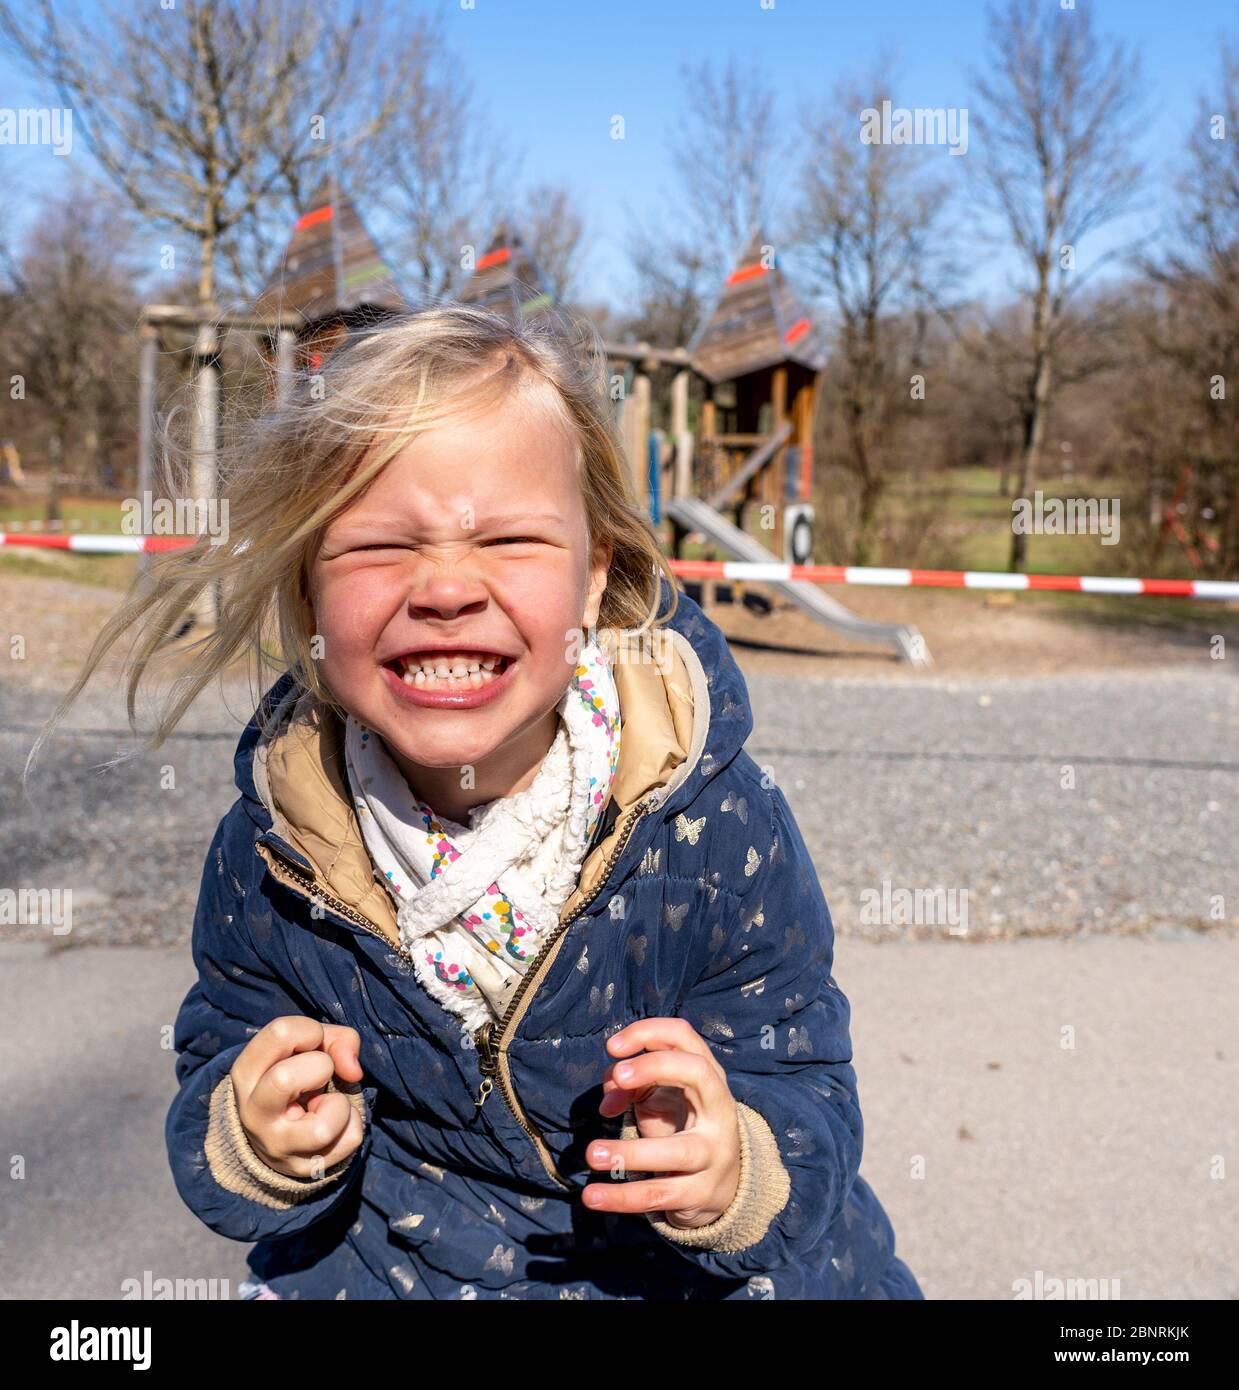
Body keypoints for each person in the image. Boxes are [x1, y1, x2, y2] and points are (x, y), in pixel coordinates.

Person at [41, 301, 923, 1300]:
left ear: (596, 579)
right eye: (380, 546)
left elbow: (803, 1080)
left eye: (507, 539)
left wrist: (737, 1169)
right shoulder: (278, 846)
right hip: (401, 1267)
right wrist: (253, 1140)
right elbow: (218, 1068)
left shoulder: (708, 821)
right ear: (307, 600)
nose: (447, 587)